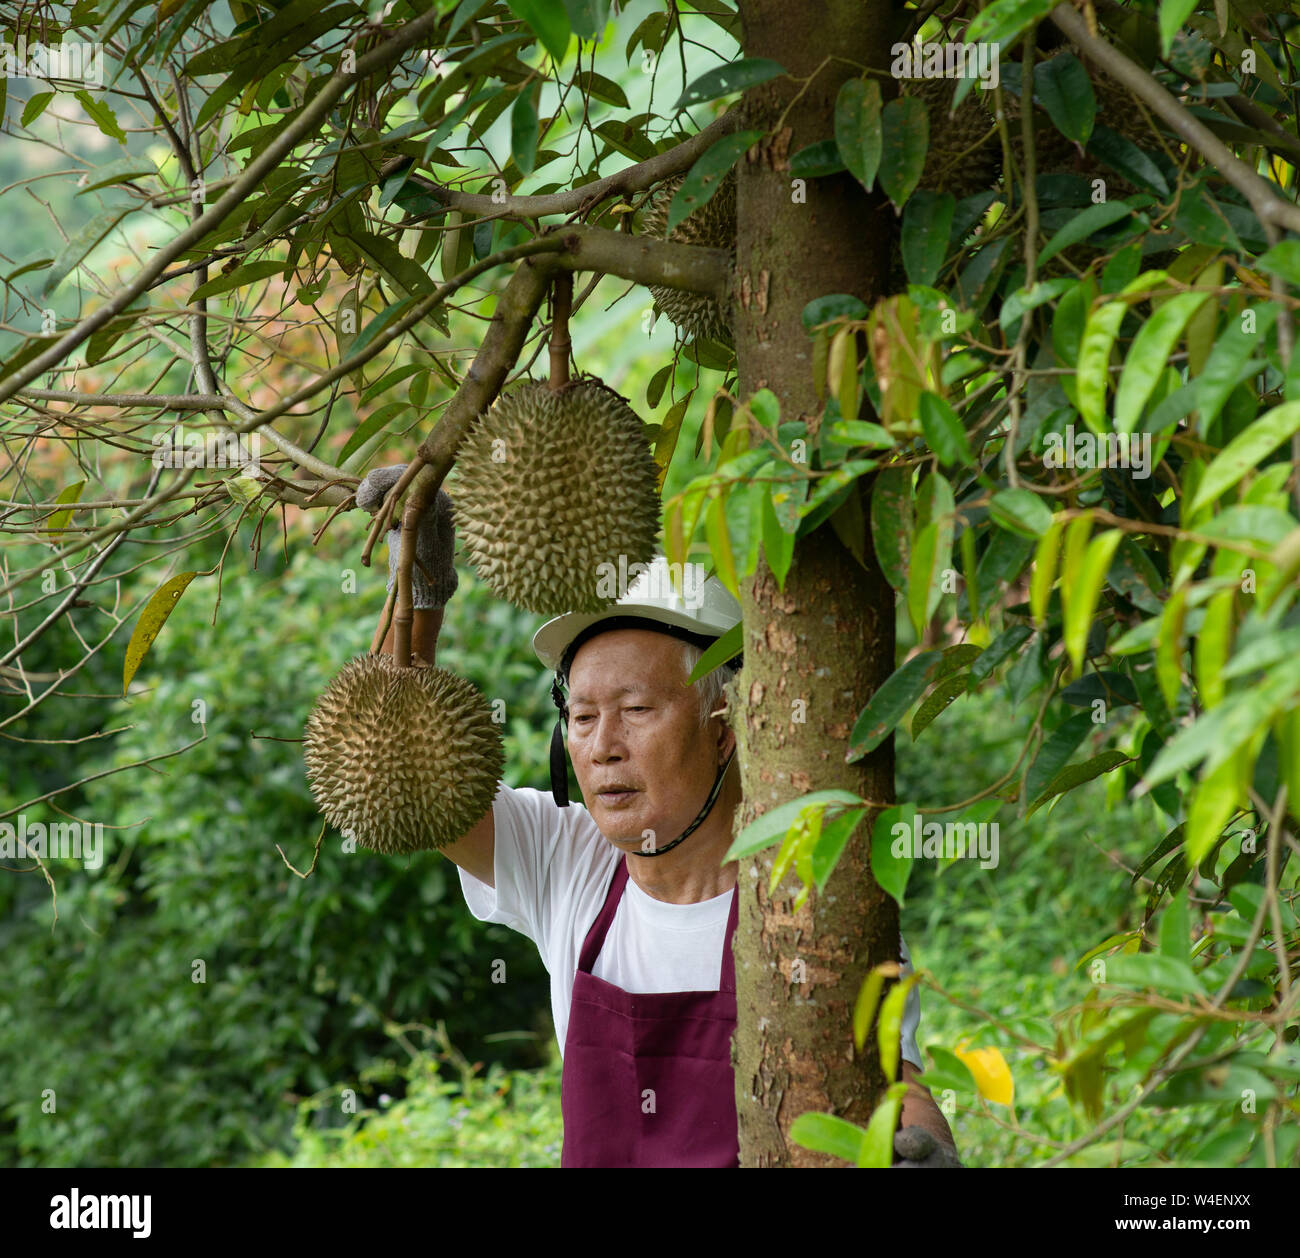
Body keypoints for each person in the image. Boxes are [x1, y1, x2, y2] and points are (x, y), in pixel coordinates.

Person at [356, 469, 961, 1168]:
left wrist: (928, 1147)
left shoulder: (815, 894)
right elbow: (402, 773)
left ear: (725, 724)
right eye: (581, 718)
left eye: (637, 710)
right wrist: (419, 593)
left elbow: (894, 1086)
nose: (603, 745)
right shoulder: (565, 857)